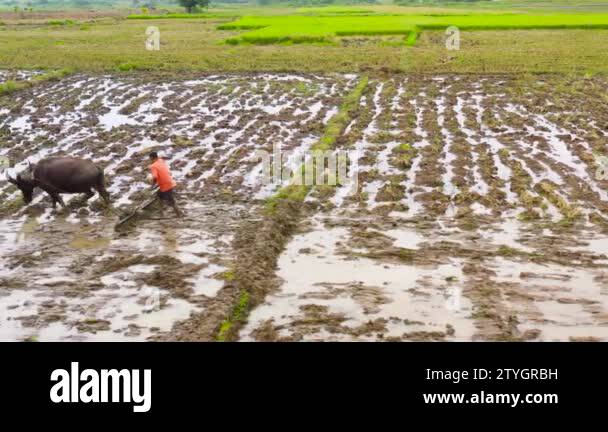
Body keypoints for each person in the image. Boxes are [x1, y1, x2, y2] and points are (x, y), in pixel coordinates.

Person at [149, 151, 183, 217]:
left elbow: (155, 177)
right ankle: (161, 213)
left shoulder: (153, 166)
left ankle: (179, 214)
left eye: (150, 159)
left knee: (171, 201)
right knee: (159, 196)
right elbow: (162, 159)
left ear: (151, 158)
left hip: (165, 185)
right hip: (170, 182)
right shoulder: (161, 161)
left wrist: (153, 185)